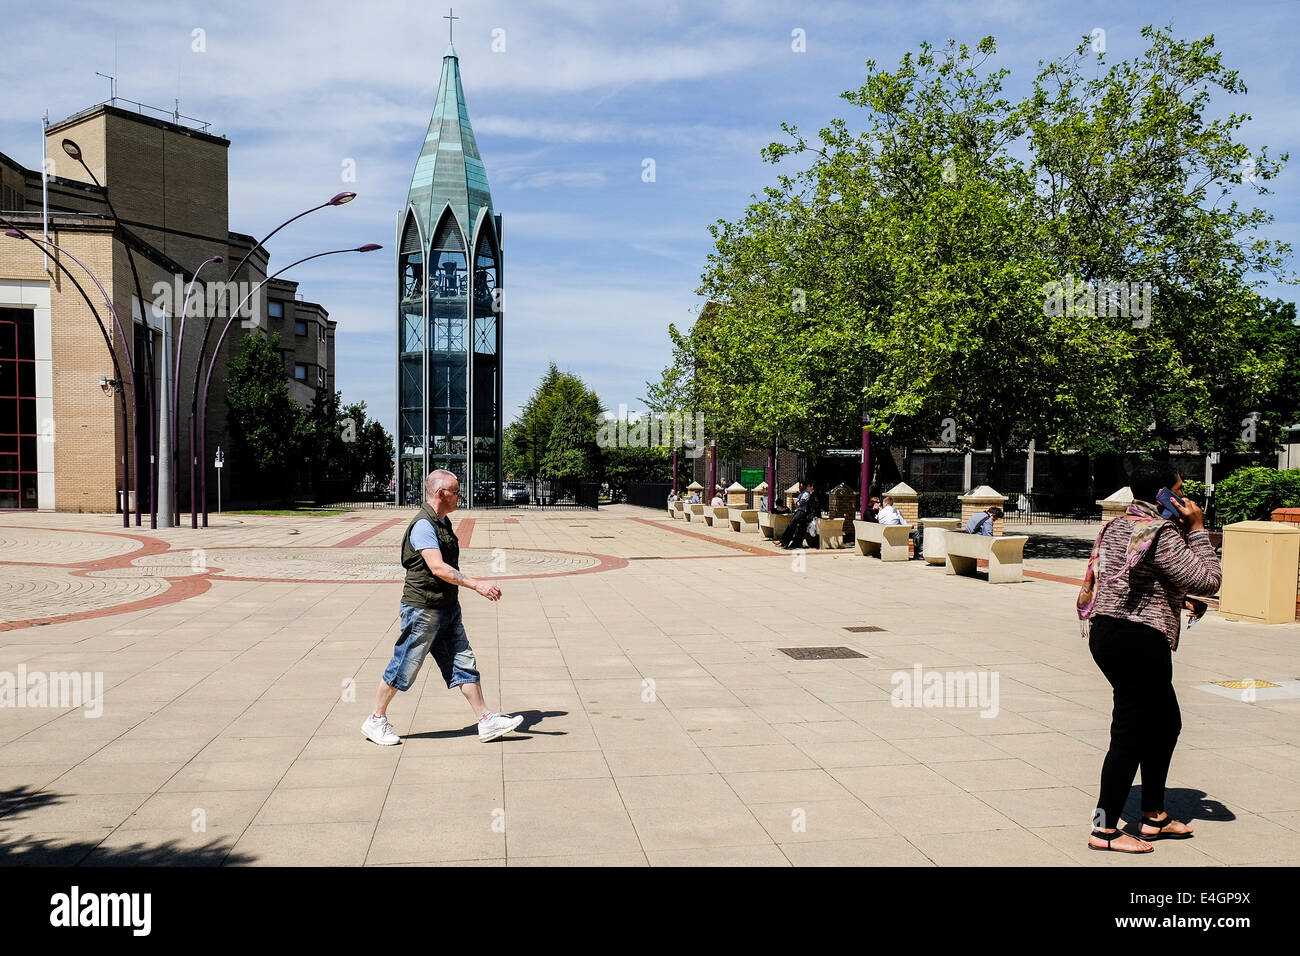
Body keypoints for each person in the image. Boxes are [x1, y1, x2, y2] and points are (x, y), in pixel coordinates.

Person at [1077, 462, 1222, 854]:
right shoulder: (1160, 531)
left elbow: (1136, 576)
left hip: (1112, 632)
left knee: (1164, 723)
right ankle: (1104, 829)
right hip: (1136, 640)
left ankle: (1154, 814)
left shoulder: (1121, 524)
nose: (1186, 496)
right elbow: (1210, 579)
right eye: (1180, 489)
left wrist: (1180, 598)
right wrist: (1197, 529)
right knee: (1131, 730)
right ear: (1165, 495)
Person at [362, 469, 524, 746]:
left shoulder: (442, 521)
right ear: (441, 494)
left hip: (447, 608)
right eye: (456, 491)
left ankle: (485, 720)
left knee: (463, 661)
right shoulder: (423, 525)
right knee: (405, 667)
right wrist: (478, 585)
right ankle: (375, 720)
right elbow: (437, 568)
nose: (460, 496)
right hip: (423, 610)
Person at [780, 480, 816, 549]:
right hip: (800, 511)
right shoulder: (803, 493)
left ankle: (785, 542)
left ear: (806, 486)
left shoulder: (806, 494)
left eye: (801, 485)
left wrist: (796, 503)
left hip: (802, 512)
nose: (799, 487)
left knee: (793, 525)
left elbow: (800, 503)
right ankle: (785, 542)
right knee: (797, 528)